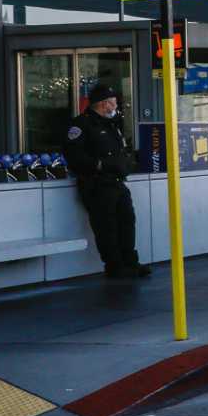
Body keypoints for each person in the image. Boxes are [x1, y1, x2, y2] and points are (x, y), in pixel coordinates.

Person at [63, 84, 149, 278]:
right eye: (113, 103)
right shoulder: (81, 125)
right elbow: (74, 156)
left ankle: (130, 262)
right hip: (97, 184)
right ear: (104, 104)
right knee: (106, 226)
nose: (116, 106)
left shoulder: (112, 124)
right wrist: (101, 166)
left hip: (117, 182)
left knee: (127, 221)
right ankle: (115, 266)